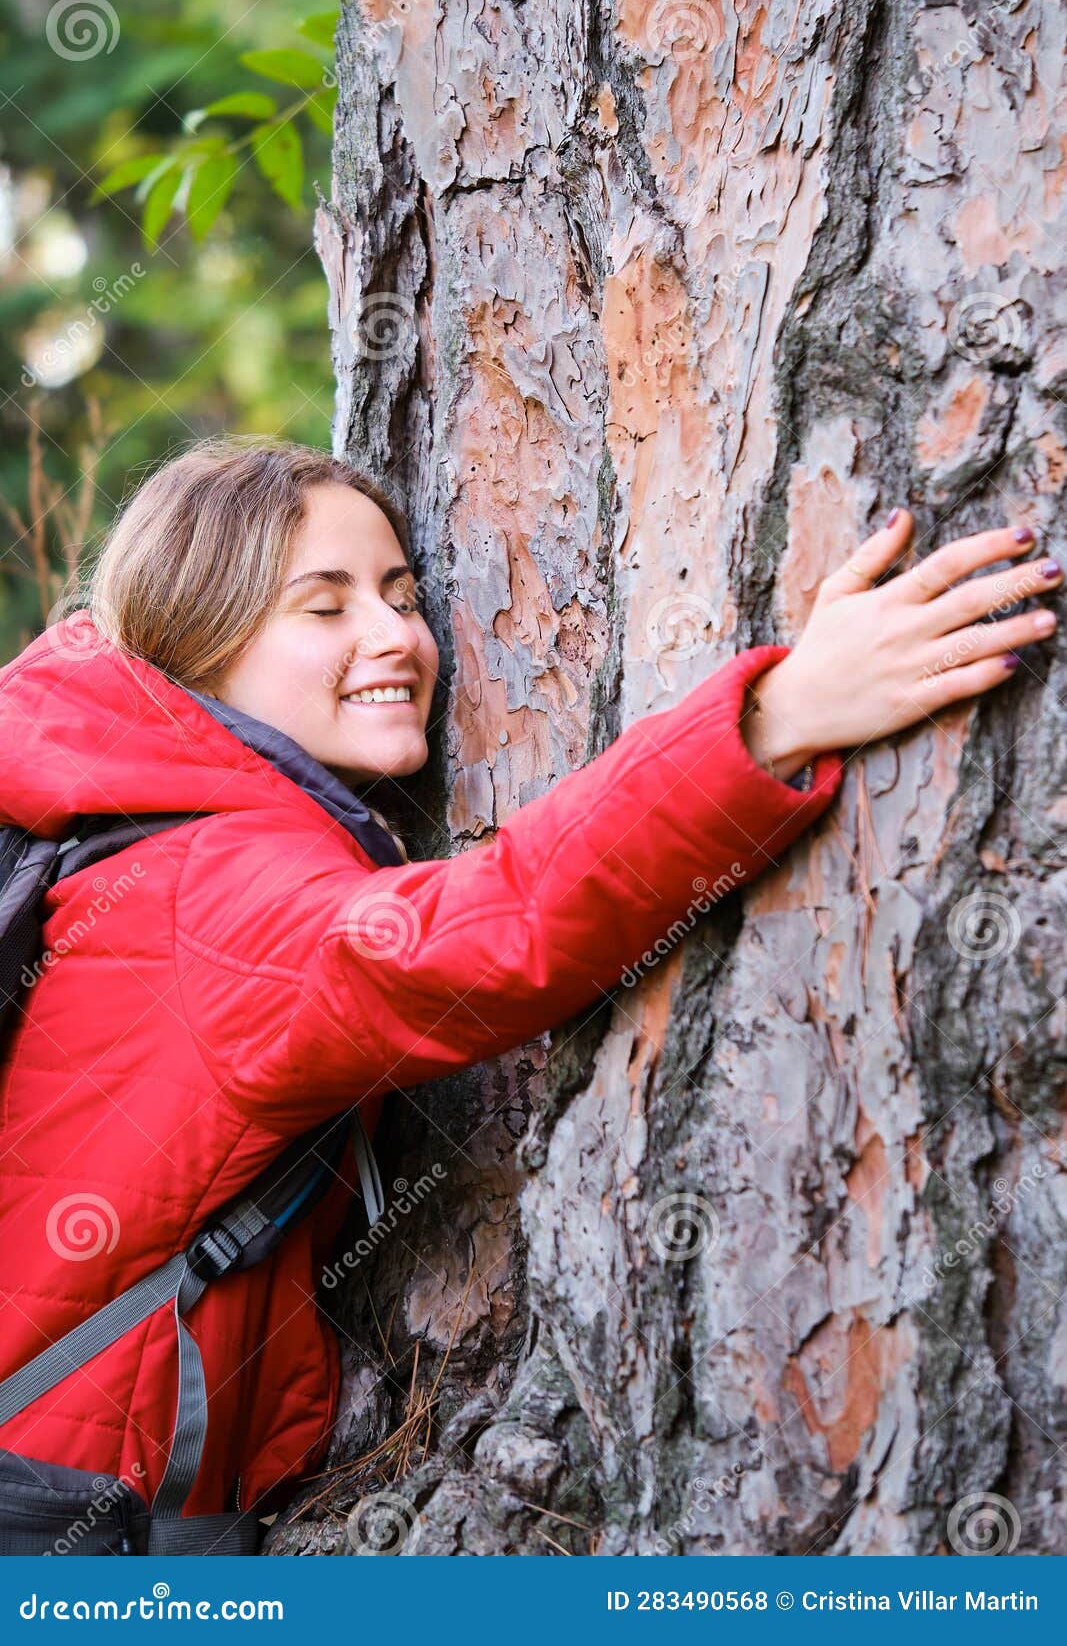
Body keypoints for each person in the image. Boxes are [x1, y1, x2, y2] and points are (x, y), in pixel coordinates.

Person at [0, 438, 1058, 1548]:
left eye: (400, 593)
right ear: (197, 650)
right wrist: (772, 716)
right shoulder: (202, 886)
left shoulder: (123, 840)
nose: (393, 637)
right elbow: (481, 937)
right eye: (323, 607)